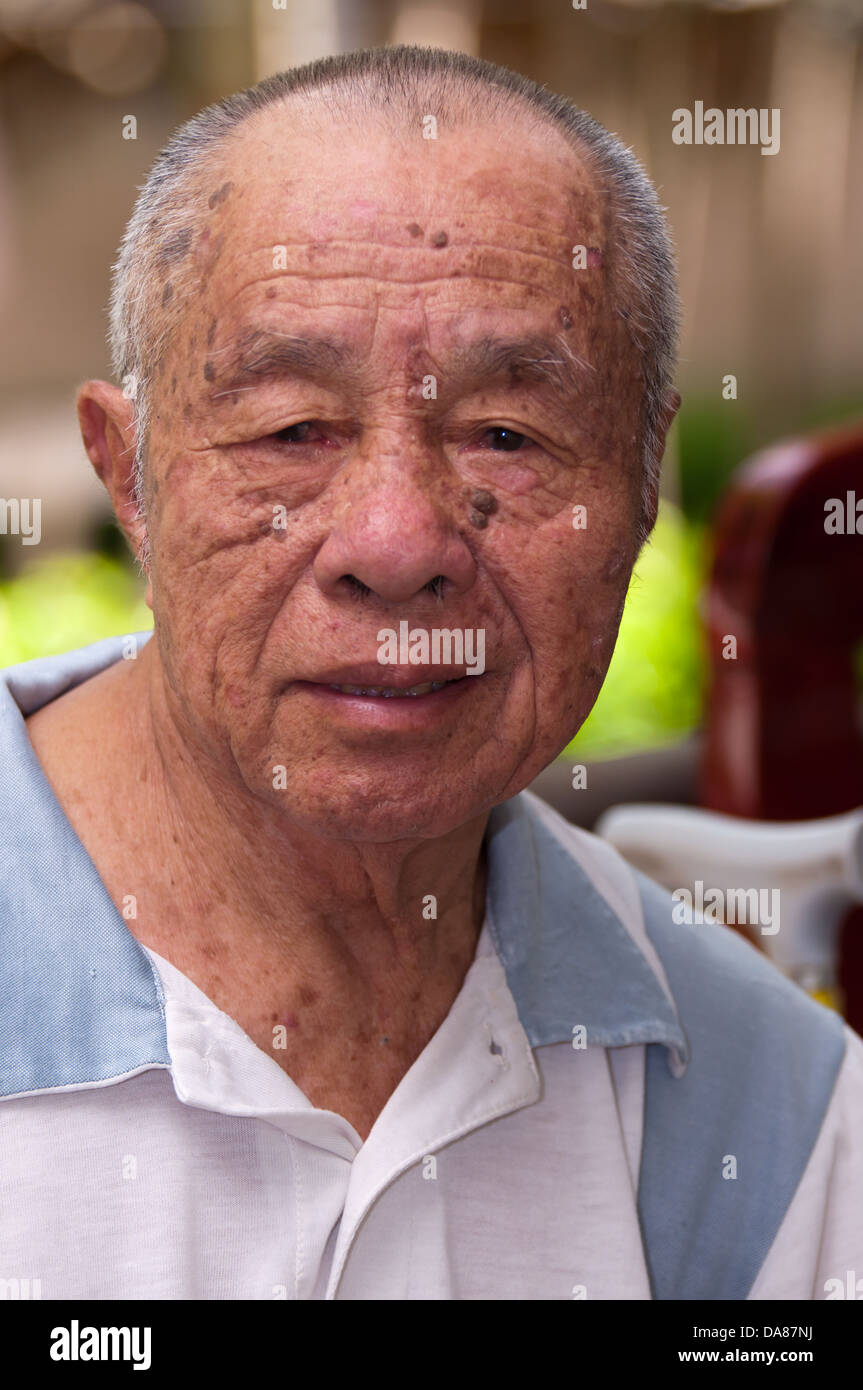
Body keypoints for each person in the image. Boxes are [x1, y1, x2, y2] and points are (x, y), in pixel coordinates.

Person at [2, 45, 861, 1301]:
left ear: (638, 479)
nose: (396, 544)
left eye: (505, 435)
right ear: (126, 476)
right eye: (294, 429)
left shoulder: (752, 1112)